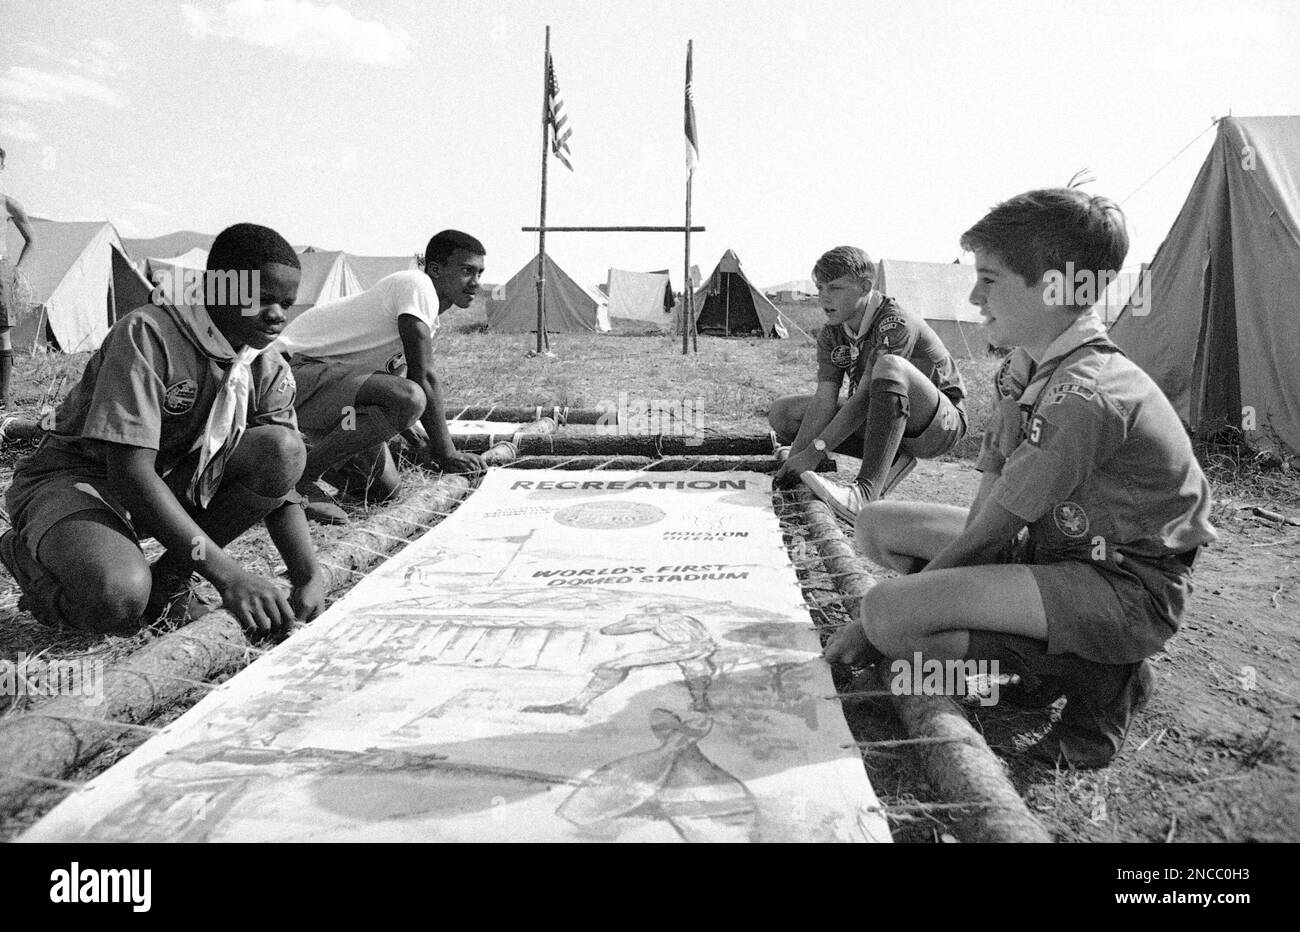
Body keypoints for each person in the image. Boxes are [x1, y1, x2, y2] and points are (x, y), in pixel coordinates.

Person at [823, 189, 1217, 768]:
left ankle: (1098, 672)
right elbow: (993, 506)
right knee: (876, 526)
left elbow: (987, 535)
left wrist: (880, 617)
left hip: (1124, 588)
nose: (975, 296)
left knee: (890, 618)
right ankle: (1027, 647)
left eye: (990, 278)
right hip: (1057, 552)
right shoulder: (1026, 365)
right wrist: (947, 594)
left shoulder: (1086, 393)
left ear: (1058, 286)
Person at [1, 223, 324, 638]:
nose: (277, 315)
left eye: (286, 303)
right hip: (80, 481)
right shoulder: (149, 335)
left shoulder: (263, 365)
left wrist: (308, 575)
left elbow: (284, 480)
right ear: (218, 288)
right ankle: (26, 558)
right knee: (117, 599)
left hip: (165, 483)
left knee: (283, 448)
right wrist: (230, 577)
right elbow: (129, 472)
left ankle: (169, 585)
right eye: (262, 299)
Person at [276, 229, 487, 524]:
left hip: (327, 391)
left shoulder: (427, 316)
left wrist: (418, 442)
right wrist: (446, 452)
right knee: (412, 397)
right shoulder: (417, 284)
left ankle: (296, 456)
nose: (476, 283)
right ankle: (298, 481)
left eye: (480, 273)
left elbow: (386, 384)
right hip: (287, 375)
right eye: (467, 271)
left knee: (382, 490)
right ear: (436, 269)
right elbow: (421, 378)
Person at [770, 246, 966, 521]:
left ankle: (866, 492)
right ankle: (891, 456)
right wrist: (797, 462)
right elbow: (825, 399)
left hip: (936, 426)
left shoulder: (894, 322)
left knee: (889, 367)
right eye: (820, 287)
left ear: (865, 286)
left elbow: (861, 401)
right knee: (783, 413)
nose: (824, 297)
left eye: (835, 287)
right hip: (886, 416)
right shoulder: (832, 332)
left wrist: (814, 453)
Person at [1, 144, 38, 408]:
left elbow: (31, 240)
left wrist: (17, 270)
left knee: (2, 333)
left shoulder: (8, 204)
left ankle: (2, 399)